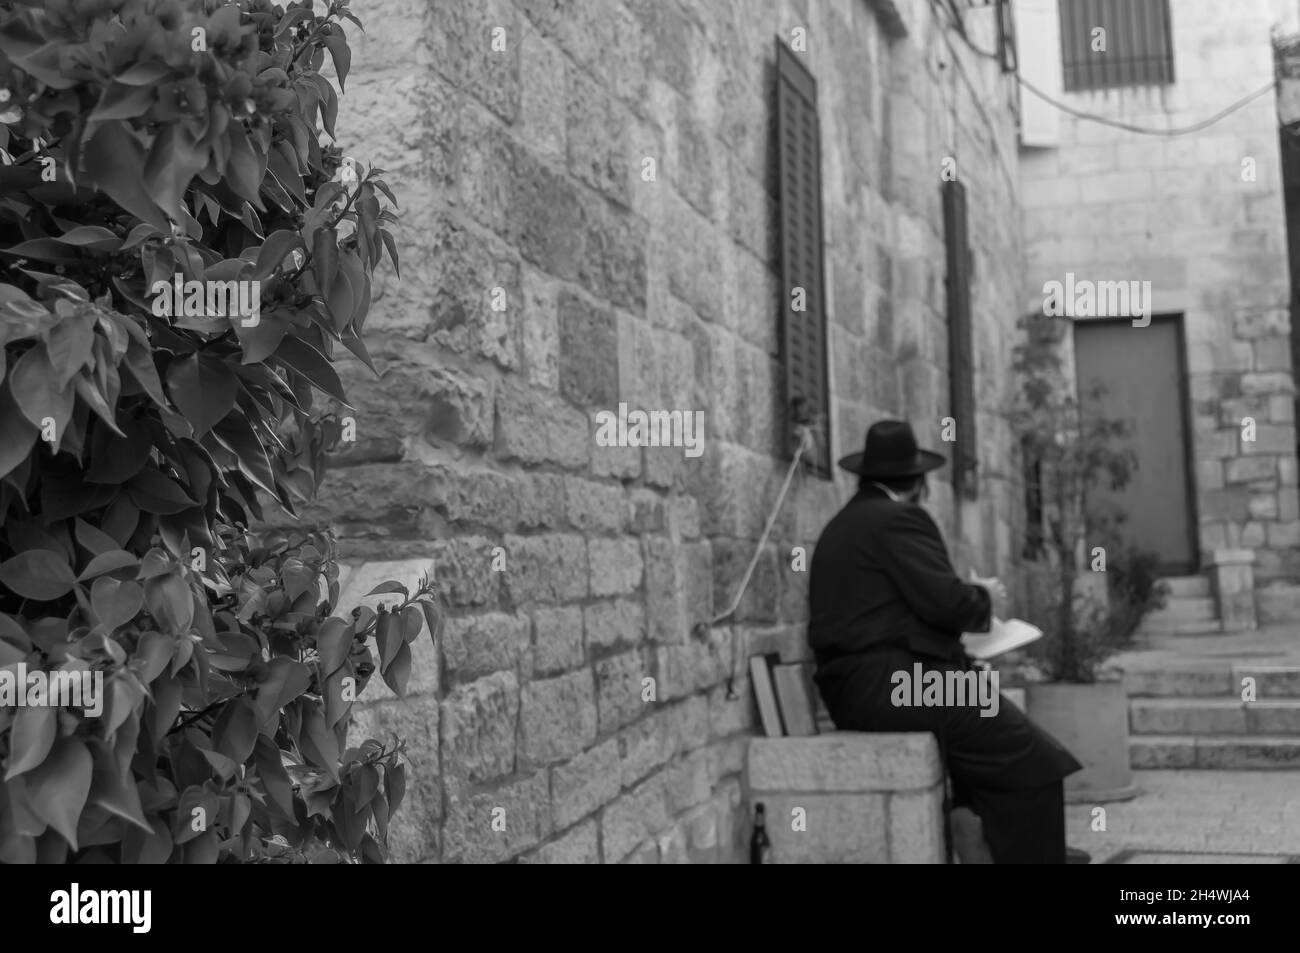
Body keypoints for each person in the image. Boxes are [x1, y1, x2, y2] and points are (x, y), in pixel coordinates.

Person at [808, 419, 1083, 864]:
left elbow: (905, 608)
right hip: (890, 685)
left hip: (863, 686)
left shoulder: (851, 520)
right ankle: (1032, 855)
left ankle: (987, 831)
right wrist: (985, 598)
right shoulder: (900, 518)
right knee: (1029, 752)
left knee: (988, 724)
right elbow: (948, 605)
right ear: (918, 483)